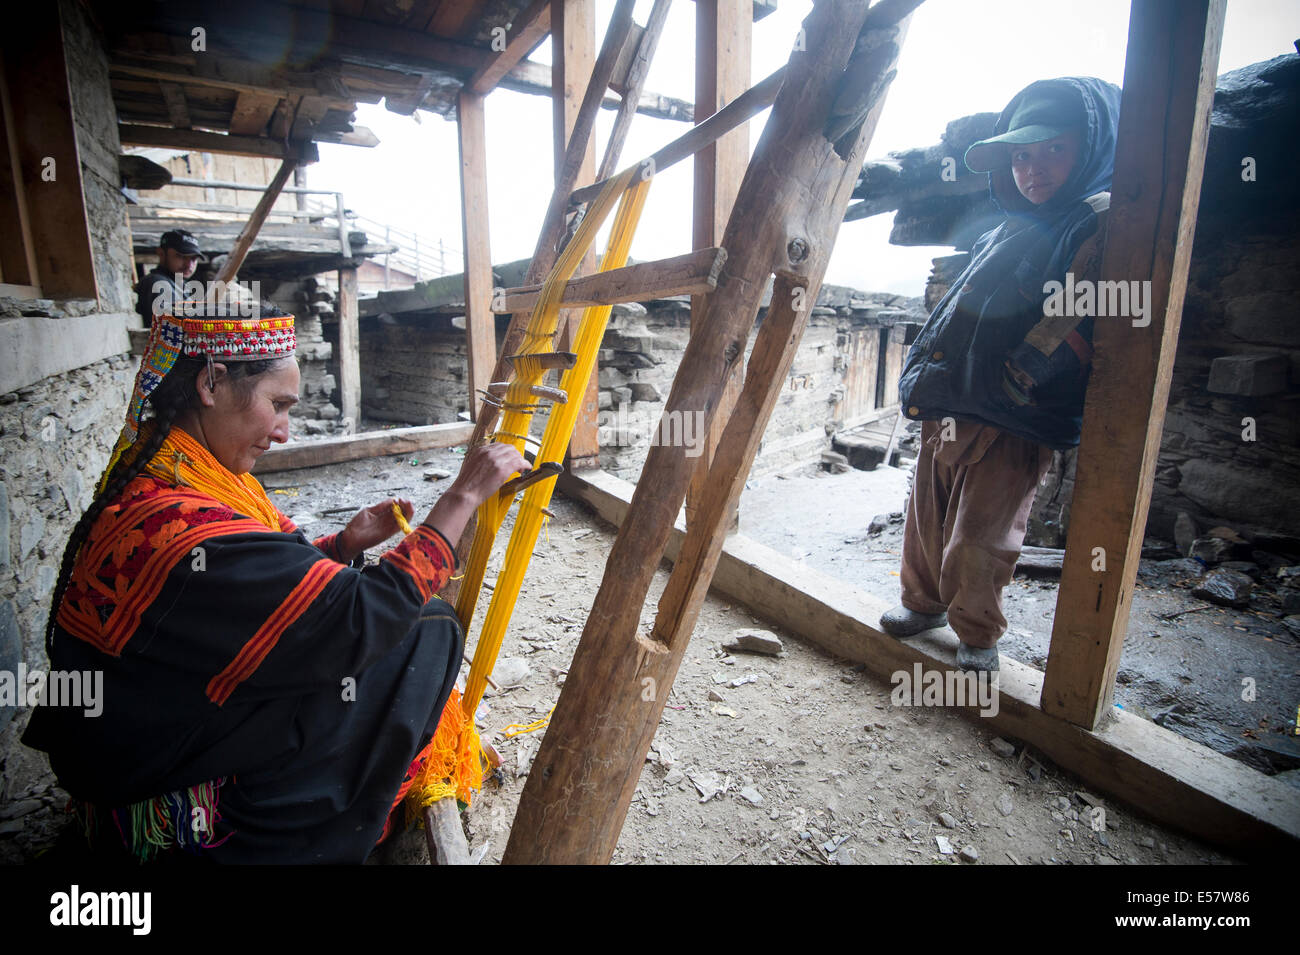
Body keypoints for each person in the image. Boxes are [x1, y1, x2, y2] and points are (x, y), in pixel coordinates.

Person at [21, 309, 527, 863]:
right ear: (210, 382)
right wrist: (459, 500)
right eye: (278, 405)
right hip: (163, 799)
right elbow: (359, 620)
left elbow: (240, 601)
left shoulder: (160, 476)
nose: (284, 432)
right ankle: (285, 833)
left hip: (130, 752)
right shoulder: (187, 530)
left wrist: (342, 546)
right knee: (425, 632)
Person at [880, 77, 1122, 671]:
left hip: (1016, 410)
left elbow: (1076, 312)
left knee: (982, 534)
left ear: (1089, 149)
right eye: (1020, 156)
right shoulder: (1007, 227)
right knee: (928, 515)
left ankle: (977, 634)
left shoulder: (1095, 223)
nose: (1032, 170)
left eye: (1052, 151)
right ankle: (923, 602)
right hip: (956, 400)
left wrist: (1019, 378)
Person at [135, 229, 205, 322]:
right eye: (181, 256)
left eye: (193, 258)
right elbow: (171, 325)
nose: (189, 265)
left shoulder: (180, 285)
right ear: (161, 253)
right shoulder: (157, 283)